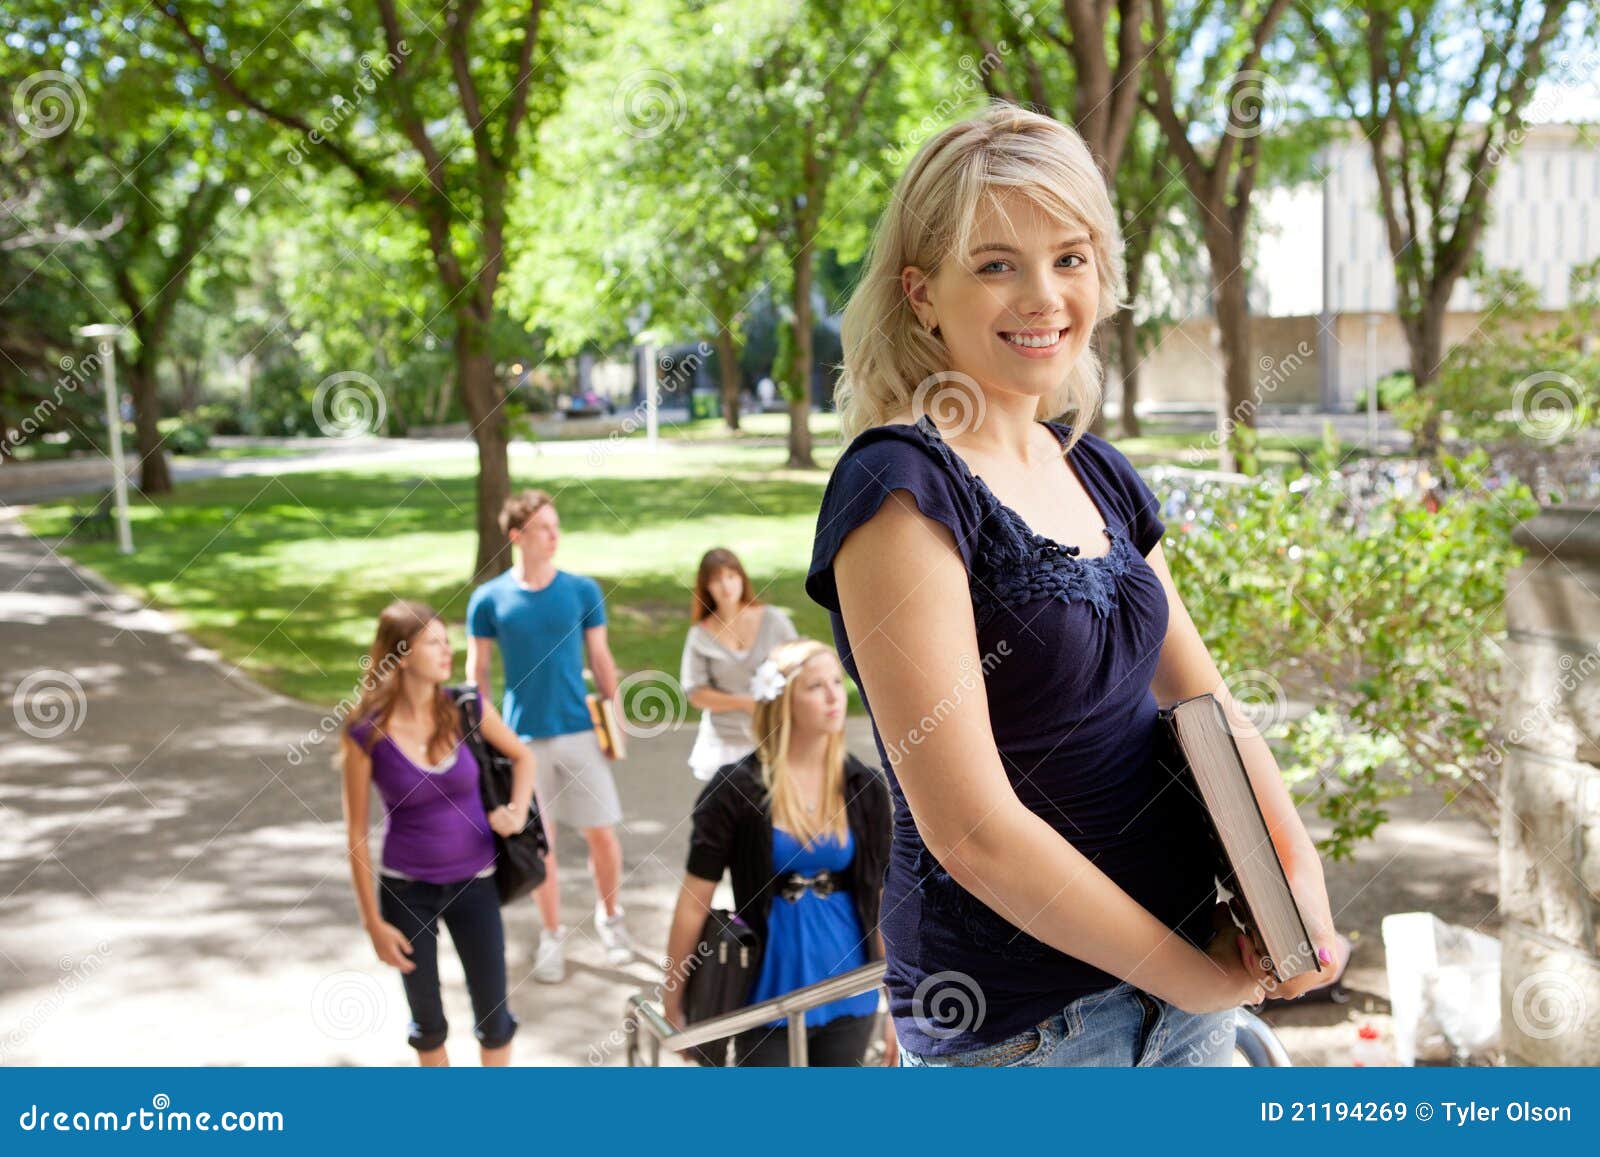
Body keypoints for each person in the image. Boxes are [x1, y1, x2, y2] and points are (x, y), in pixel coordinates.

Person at [805, 102, 1341, 1068]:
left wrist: (1295, 885)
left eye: (1070, 257)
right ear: (922, 294)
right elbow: (971, 829)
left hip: (1186, 993)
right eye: (996, 263)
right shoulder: (900, 488)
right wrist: (1197, 975)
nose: (1043, 295)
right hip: (1029, 1034)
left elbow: (1202, 698)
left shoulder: (1097, 470)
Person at [661, 639, 895, 1066]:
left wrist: (898, 1001)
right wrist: (673, 1003)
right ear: (782, 702)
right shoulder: (734, 790)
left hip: (850, 988)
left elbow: (881, 899)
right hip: (764, 995)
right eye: (814, 687)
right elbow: (693, 904)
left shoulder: (865, 786)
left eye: (836, 683)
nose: (833, 696)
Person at [339, 600, 537, 1066]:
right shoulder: (366, 733)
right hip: (407, 893)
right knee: (428, 1028)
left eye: (447, 641)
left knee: (495, 1018)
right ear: (402, 654)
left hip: (477, 885)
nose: (446, 651)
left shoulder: (466, 707)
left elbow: (524, 757)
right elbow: (355, 833)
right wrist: (372, 924)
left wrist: (516, 809)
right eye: (433, 643)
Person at [467, 489, 632, 980]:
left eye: (556, 526)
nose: (554, 535)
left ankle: (612, 919)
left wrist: (615, 716)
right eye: (543, 528)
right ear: (517, 536)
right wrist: (482, 733)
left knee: (602, 834)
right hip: (522, 745)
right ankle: (552, 934)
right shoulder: (489, 599)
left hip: (580, 731)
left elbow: (601, 659)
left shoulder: (582, 591)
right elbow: (476, 673)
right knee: (543, 846)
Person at [679, 547, 799, 781]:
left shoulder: (773, 619)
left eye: (731, 577)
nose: (726, 586)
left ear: (742, 578)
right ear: (706, 587)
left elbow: (800, 665)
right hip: (726, 743)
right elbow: (695, 693)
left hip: (775, 736)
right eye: (717, 580)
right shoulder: (700, 635)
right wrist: (744, 703)